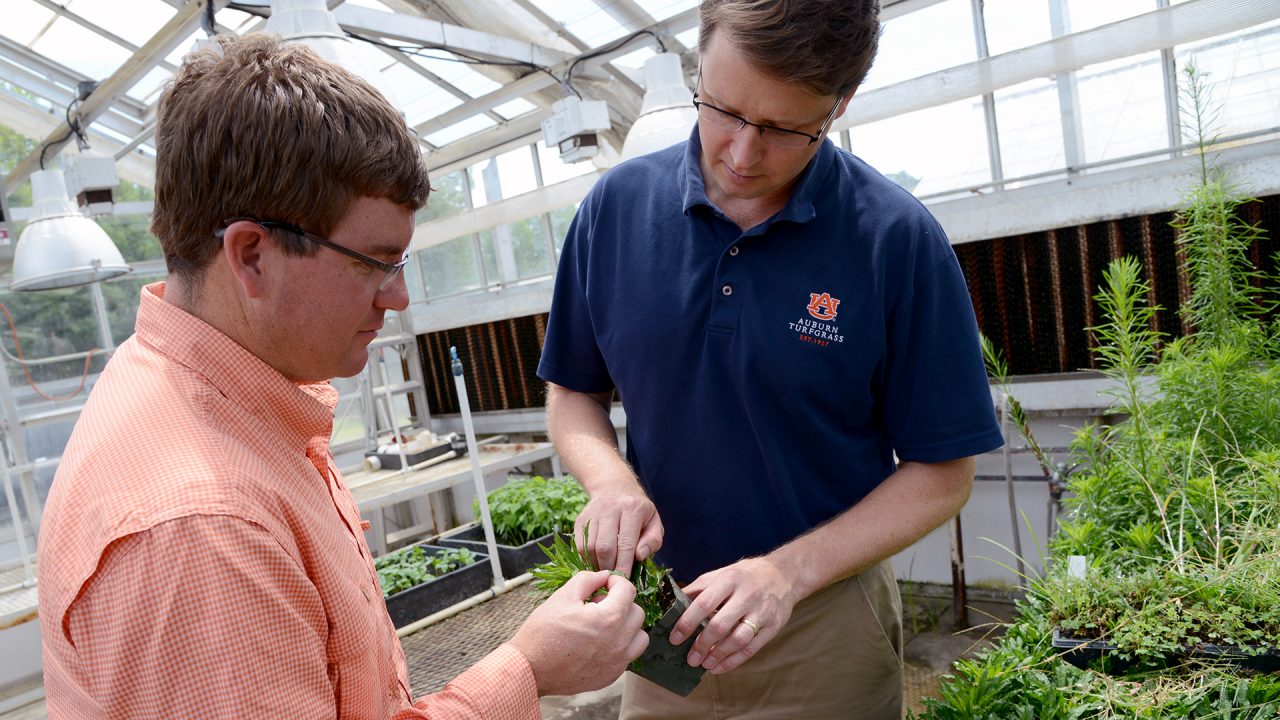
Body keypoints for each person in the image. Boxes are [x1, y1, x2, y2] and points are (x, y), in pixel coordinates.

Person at [38, 32, 647, 719]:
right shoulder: (201, 528)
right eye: (373, 262)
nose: (399, 297)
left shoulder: (228, 399)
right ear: (251, 256)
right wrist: (527, 670)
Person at [537, 0, 1005, 717]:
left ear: (840, 103)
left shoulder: (894, 240)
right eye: (722, 109)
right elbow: (573, 391)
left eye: (786, 129)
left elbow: (943, 472)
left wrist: (787, 573)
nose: (741, 154)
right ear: (699, 64)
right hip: (665, 623)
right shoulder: (614, 212)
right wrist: (610, 484)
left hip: (824, 624)